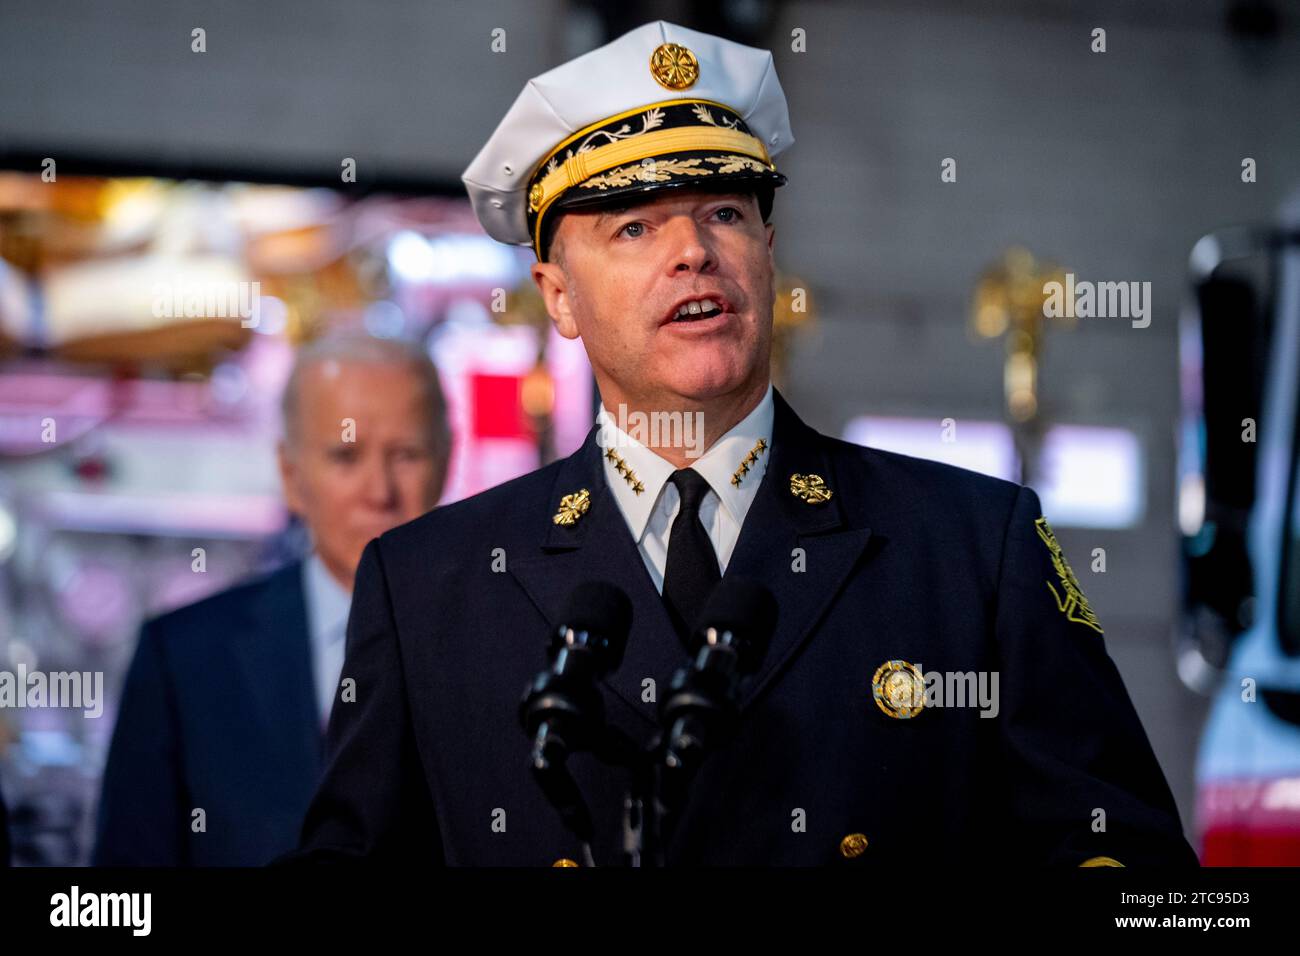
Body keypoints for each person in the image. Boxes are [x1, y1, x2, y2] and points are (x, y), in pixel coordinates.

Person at [287, 21, 1197, 866]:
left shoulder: (969, 551)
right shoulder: (429, 587)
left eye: (724, 212)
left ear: (769, 246)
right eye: (635, 226)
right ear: (556, 294)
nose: (692, 251)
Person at [93, 334, 450, 865]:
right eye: (345, 457)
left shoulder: (506, 646)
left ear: (447, 462)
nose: (379, 492)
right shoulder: (184, 662)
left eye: (406, 455)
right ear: (290, 476)